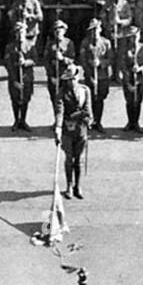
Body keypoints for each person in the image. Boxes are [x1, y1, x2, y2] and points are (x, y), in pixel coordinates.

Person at [54, 63, 91, 200]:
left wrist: (88, 120)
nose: (71, 82)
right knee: (69, 158)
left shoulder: (85, 90)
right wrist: (58, 128)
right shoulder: (62, 92)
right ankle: (69, 185)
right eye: (68, 80)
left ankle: (78, 185)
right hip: (67, 130)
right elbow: (59, 111)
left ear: (78, 77)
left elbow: (88, 110)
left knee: (79, 159)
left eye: (73, 78)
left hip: (81, 129)